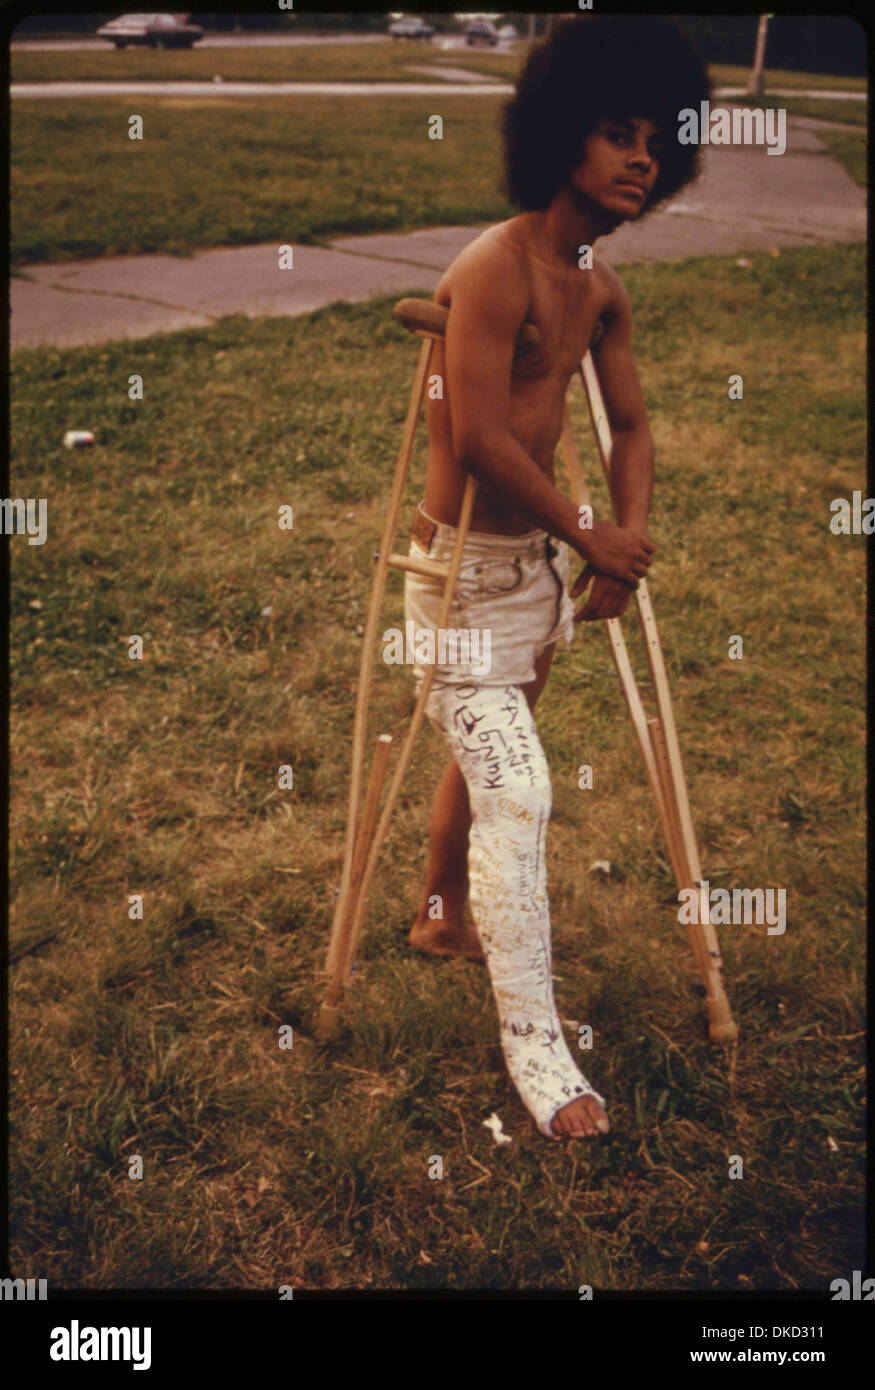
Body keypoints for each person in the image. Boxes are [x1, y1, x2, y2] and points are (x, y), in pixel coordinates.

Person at [403, 15, 711, 1139]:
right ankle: (538, 1051)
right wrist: (595, 533)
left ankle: (440, 915)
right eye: (614, 135)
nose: (637, 158)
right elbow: (482, 436)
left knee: (488, 761)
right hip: (454, 585)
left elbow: (628, 424)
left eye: (652, 144)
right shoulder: (492, 266)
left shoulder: (600, 289)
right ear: (557, 142)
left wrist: (620, 542)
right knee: (519, 789)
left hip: (533, 579)